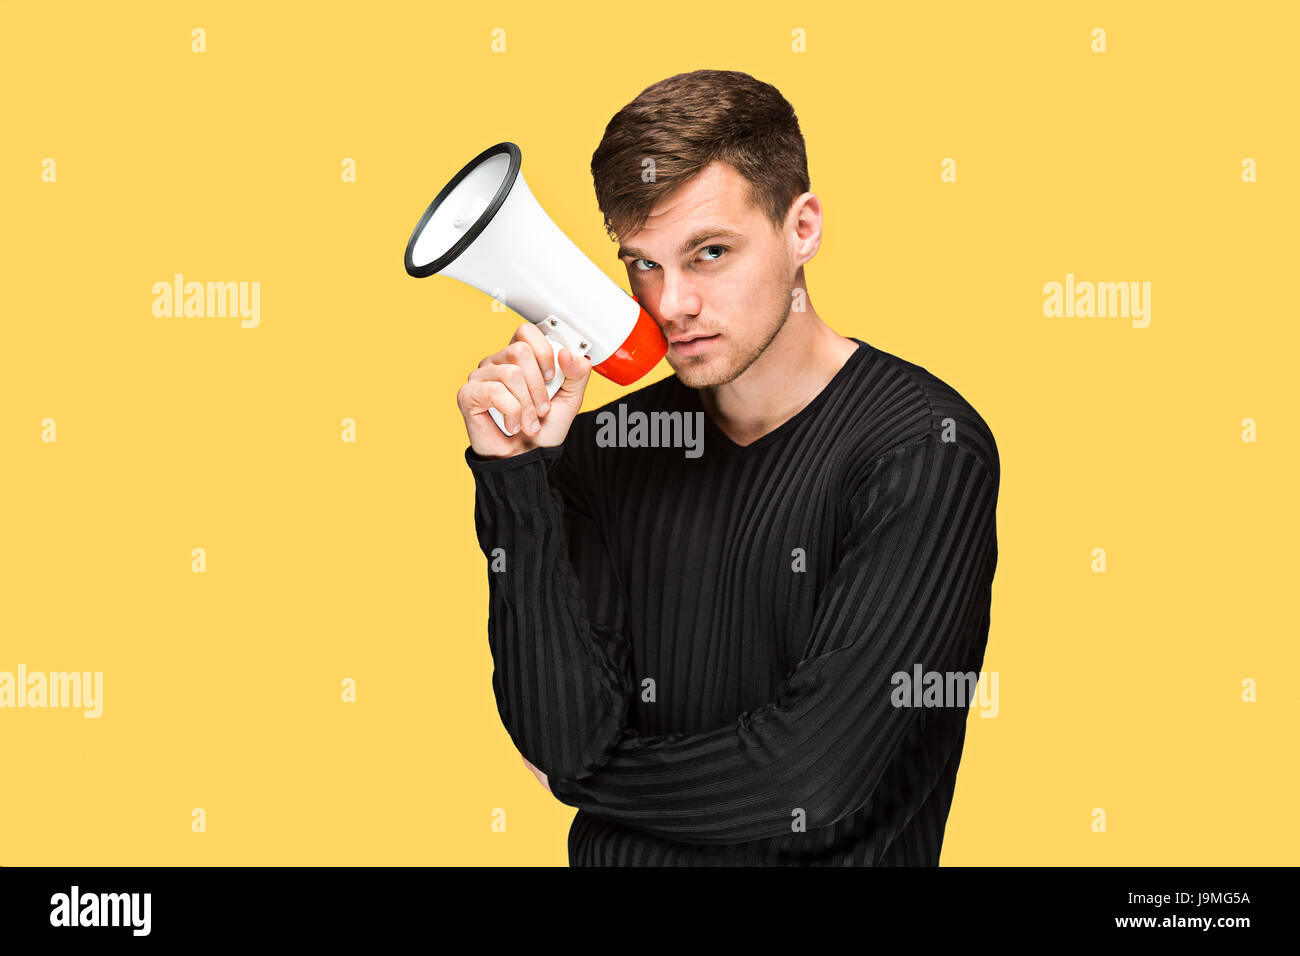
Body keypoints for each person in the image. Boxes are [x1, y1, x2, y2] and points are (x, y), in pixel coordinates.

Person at [456, 69, 1000, 865]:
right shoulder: (598, 455)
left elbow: (807, 777)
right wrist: (516, 477)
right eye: (641, 263)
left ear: (802, 227)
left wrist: (585, 779)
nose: (670, 303)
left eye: (708, 253)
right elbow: (556, 728)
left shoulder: (925, 450)